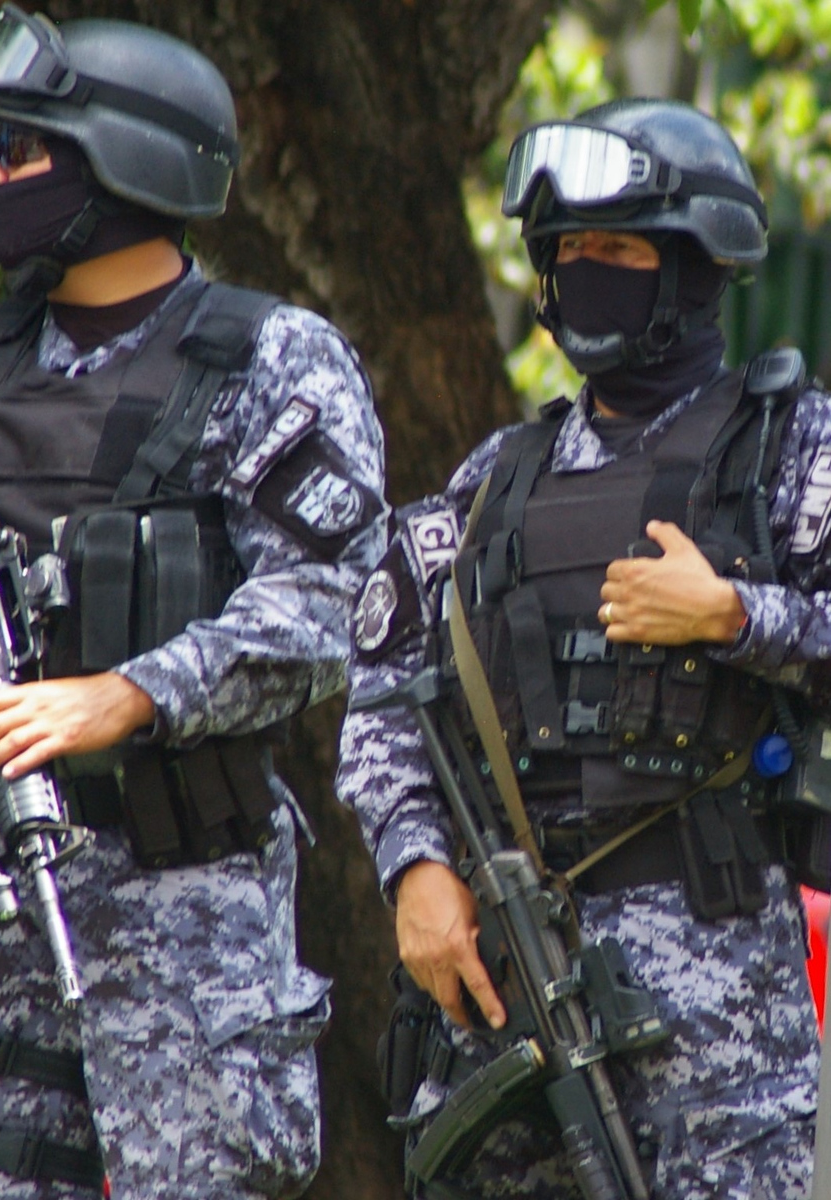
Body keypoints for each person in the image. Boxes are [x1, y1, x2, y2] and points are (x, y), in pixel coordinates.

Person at [0, 6, 386, 1199]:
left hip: (190, 942)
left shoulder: (273, 363)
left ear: (122, 164)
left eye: (16, 150)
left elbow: (331, 605)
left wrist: (127, 695)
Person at [337, 97, 824, 1199]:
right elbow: (382, 700)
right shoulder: (491, 481)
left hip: (715, 1022)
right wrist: (413, 868)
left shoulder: (793, 451)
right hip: (510, 992)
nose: (577, 276)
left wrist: (740, 619)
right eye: (562, 253)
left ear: (694, 264)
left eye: (613, 247)